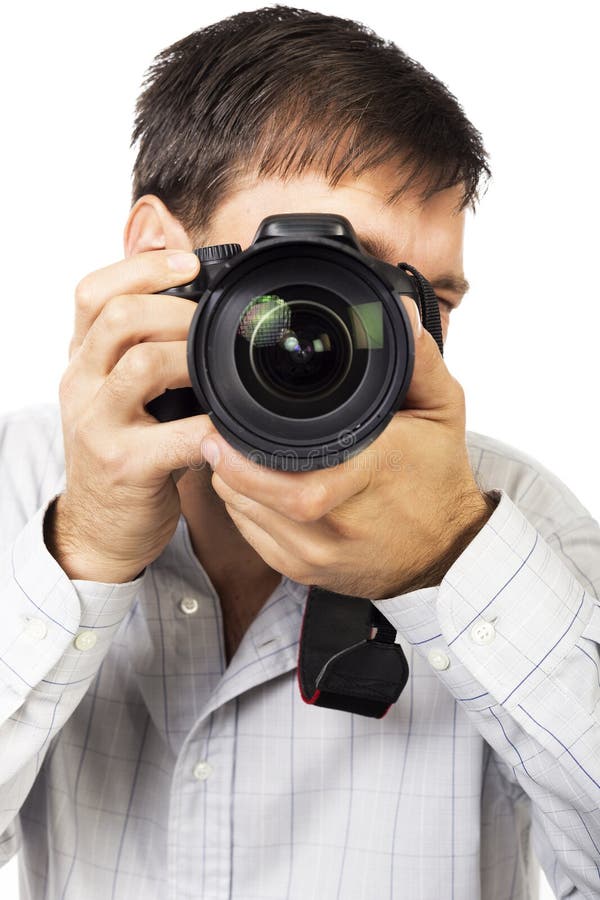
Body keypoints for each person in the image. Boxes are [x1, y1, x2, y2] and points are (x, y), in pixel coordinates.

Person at [1, 5, 598, 899]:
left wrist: (454, 558)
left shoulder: (512, 514)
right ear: (159, 254)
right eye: (332, 278)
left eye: (425, 301)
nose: (380, 336)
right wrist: (79, 552)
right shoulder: (22, 482)